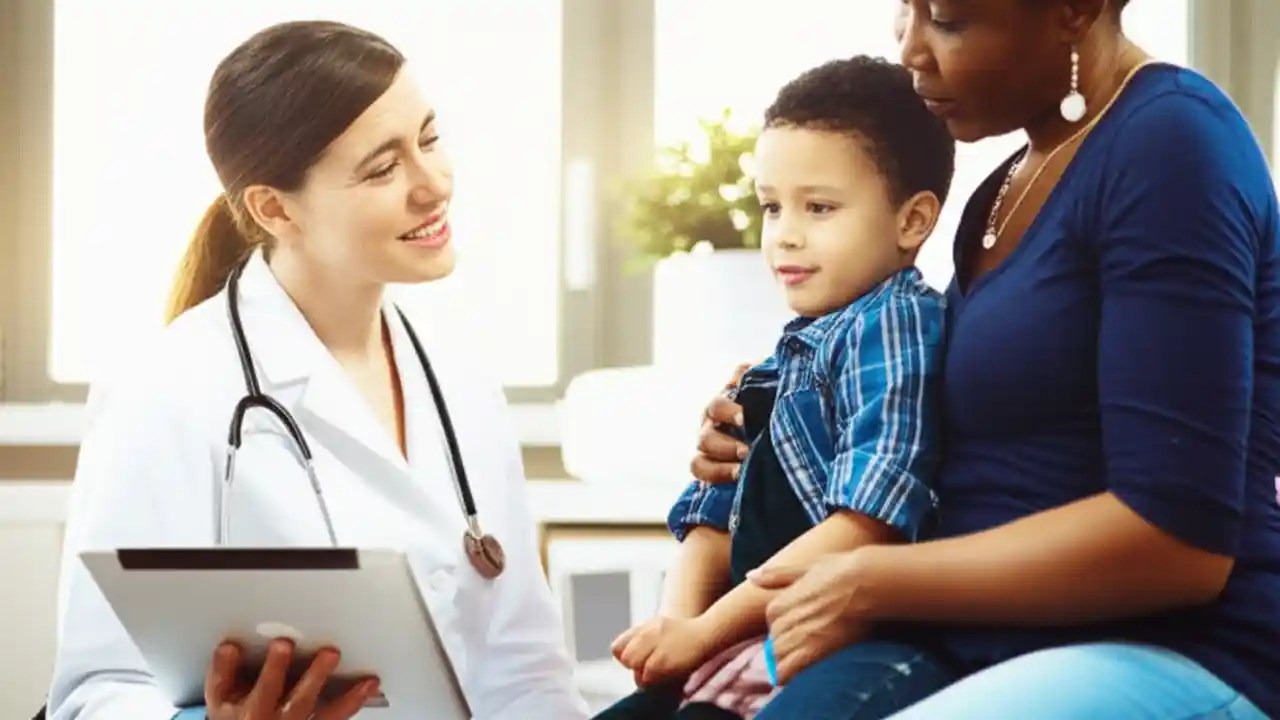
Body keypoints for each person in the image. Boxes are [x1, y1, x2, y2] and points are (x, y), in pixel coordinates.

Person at [691, 1, 1280, 718]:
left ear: (1073, 11)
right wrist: (778, 419)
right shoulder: (1000, 191)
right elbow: (949, 438)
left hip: (1176, 651)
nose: (911, 49)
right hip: (980, 643)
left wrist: (873, 581)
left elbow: (1176, 541)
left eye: (947, 18)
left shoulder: (1172, 144)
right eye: (903, 10)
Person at [44, 20, 589, 720]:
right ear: (274, 209)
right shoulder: (168, 390)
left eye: (427, 138)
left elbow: (526, 672)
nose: (433, 186)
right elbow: (96, 692)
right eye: (383, 168)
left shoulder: (460, 378)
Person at [596, 57, 957, 720]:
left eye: (819, 207)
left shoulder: (895, 325)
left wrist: (702, 633)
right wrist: (674, 631)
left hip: (842, 637)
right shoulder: (780, 358)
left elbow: (866, 523)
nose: (785, 232)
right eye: (771, 206)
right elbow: (709, 520)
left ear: (912, 222)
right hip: (741, 637)